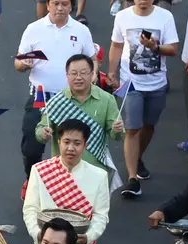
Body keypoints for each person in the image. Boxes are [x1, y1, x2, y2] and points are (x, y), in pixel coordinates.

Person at [108, 0, 179, 198]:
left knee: (149, 125)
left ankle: (137, 157)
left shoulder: (165, 17)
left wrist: (154, 47)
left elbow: (173, 49)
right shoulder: (123, 16)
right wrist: (111, 72)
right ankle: (132, 179)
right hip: (131, 83)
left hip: (156, 83)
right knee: (132, 128)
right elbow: (116, 45)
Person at [23, 119, 110, 244]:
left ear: (85, 145)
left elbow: (100, 215)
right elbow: (30, 209)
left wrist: (88, 238)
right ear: (59, 142)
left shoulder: (99, 176)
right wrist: (38, 235)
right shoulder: (40, 170)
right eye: (66, 142)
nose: (71, 148)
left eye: (77, 143)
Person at [16, 0, 94, 175]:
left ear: (71, 6)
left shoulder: (81, 31)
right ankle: (31, 181)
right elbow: (18, 61)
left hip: (71, 99)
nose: (60, 8)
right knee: (32, 147)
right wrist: (23, 64)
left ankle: (64, 186)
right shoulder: (33, 29)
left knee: (68, 148)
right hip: (40, 97)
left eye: (64, 4)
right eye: (56, 3)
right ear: (48, 5)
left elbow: (92, 59)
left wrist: (93, 74)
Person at [34, 53, 124, 185]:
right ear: (67, 76)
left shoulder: (107, 100)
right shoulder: (57, 102)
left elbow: (117, 135)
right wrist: (43, 133)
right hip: (63, 173)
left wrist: (117, 130)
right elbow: (40, 130)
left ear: (92, 74)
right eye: (74, 73)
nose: (78, 77)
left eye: (83, 73)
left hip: (95, 172)